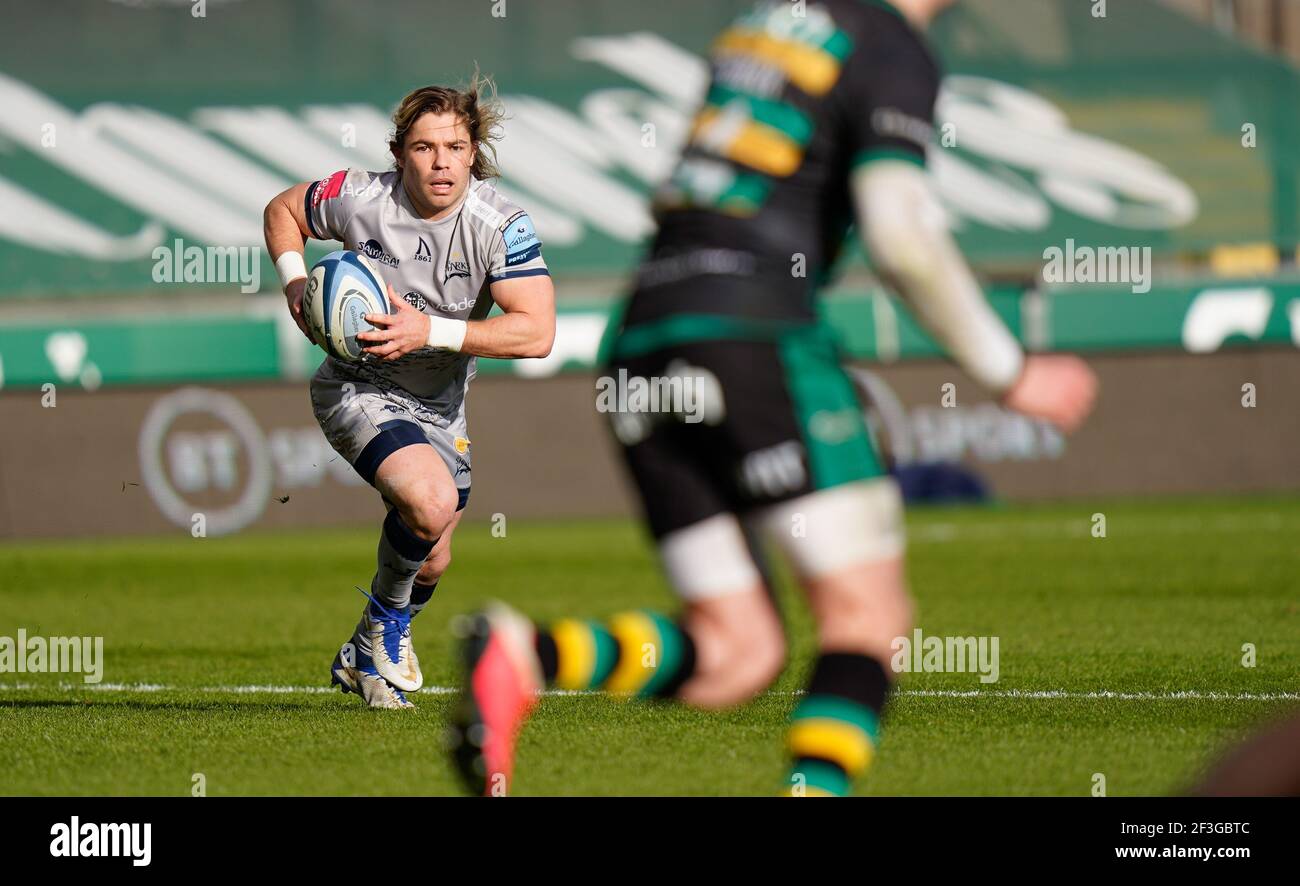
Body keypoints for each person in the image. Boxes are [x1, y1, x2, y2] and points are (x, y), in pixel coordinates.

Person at [447, 0, 1095, 794]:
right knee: (867, 621)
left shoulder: (766, 24)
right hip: (751, 332)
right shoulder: (887, 40)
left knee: (736, 653)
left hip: (645, 333)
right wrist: (1011, 371)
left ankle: (527, 655)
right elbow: (900, 232)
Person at [262, 77, 555, 709]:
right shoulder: (360, 196)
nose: (440, 161)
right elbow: (283, 211)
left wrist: (433, 330)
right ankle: (383, 642)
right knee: (429, 501)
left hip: (440, 407)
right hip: (356, 386)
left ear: (473, 151)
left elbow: (537, 332)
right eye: (424, 148)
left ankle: (364, 646)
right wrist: (293, 286)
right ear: (400, 154)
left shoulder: (500, 222)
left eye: (454, 146)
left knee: (433, 559)